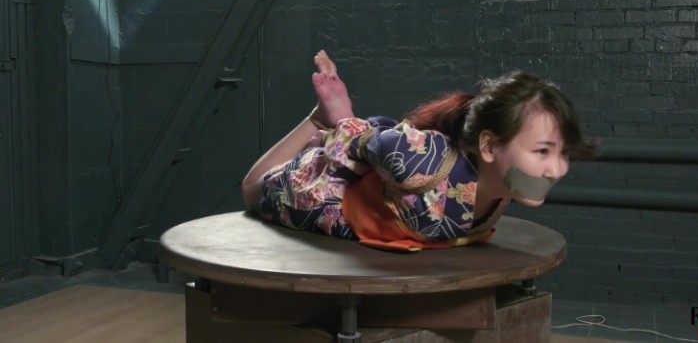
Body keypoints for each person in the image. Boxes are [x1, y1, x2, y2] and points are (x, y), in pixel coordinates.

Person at [242, 50, 596, 251]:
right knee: (252, 191)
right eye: (543, 152)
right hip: (327, 199)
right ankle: (323, 118)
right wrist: (342, 123)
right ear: (489, 146)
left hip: (385, 214)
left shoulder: (507, 186)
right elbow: (374, 139)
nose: (556, 170)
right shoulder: (425, 160)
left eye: (563, 153)